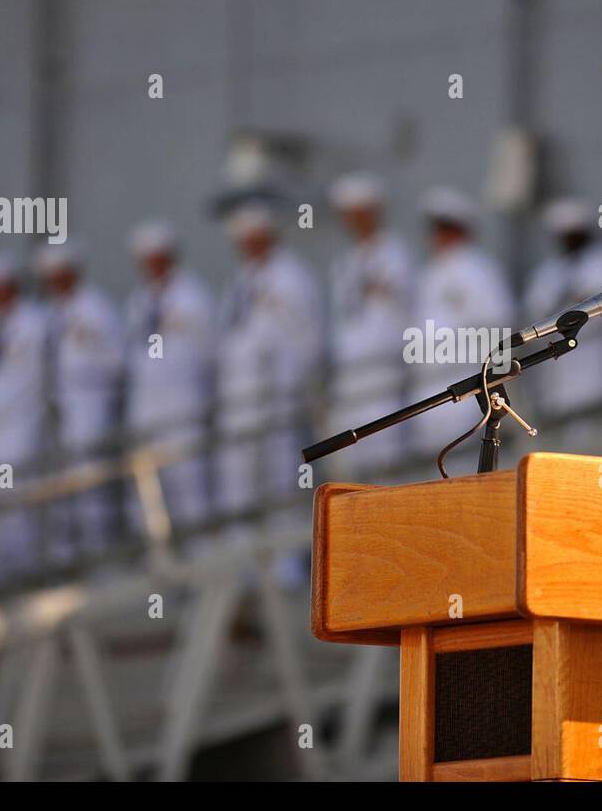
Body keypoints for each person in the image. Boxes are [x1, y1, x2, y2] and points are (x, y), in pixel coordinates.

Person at [214, 202, 321, 586]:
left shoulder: (291, 277)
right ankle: (241, 570)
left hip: (276, 398)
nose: (247, 246)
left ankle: (286, 569)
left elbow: (308, 339)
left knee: (281, 482)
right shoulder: (240, 281)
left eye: (253, 238)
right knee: (238, 486)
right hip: (239, 400)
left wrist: (293, 389)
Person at [125, 221, 215, 553]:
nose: (152, 266)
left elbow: (209, 351)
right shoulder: (138, 301)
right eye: (146, 260)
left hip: (182, 402)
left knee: (189, 487)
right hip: (147, 408)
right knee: (149, 492)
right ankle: (160, 562)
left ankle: (203, 559)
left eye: (157, 258)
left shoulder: (193, 296)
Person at [407, 186, 514, 457]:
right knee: (434, 464)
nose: (437, 235)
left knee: (467, 462)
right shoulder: (429, 273)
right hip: (430, 387)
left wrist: (495, 384)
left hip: (465, 385)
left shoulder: (478, 269)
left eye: (443, 227)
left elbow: (498, 328)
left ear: (459, 229)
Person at [36, 244, 125, 564]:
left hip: (91, 404)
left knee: (92, 487)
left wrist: (88, 378)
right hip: (59, 408)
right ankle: (70, 565)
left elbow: (117, 361)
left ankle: (103, 562)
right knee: (62, 494)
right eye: (51, 277)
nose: (56, 283)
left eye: (61, 275)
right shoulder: (50, 314)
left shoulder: (96, 308)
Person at [324, 172, 415, 475]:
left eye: (358, 213)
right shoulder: (345, 262)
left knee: (384, 456)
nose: (352, 221)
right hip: (350, 375)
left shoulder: (394, 254)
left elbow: (403, 308)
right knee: (349, 460)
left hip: (383, 370)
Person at [0, 252, 49, 585]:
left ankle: (25, 580)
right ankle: (2, 580)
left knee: (18, 508)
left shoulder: (31, 322)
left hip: (21, 427)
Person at [522, 197, 602, 424]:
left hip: (599, 354)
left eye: (573, 233)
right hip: (561, 362)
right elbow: (535, 310)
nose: (568, 239)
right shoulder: (550, 271)